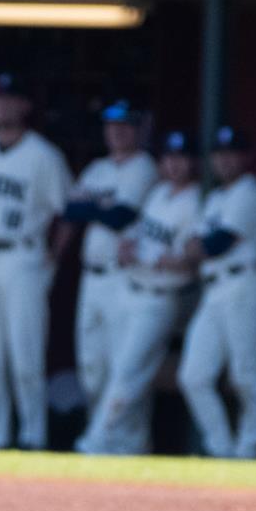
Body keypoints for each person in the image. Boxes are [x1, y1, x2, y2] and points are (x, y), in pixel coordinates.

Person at [0, 74, 72, 451]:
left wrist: (53, 257)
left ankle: (33, 437)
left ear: (25, 105)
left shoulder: (43, 155)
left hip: (26, 255)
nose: (3, 106)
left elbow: (67, 211)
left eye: (11, 98)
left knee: (25, 356)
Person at [86, 128, 200, 455]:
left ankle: (96, 442)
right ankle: (131, 447)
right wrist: (127, 245)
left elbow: (186, 262)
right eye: (171, 158)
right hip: (130, 289)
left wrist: (151, 257)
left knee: (126, 372)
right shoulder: (159, 193)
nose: (176, 165)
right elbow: (138, 231)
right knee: (119, 372)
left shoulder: (196, 202)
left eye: (183, 159)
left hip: (160, 298)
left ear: (193, 164)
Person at [64, 101, 158, 453]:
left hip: (124, 279)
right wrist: (97, 208)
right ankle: (102, 438)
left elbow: (120, 216)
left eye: (125, 126)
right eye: (111, 126)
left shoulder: (143, 166)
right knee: (92, 368)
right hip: (92, 278)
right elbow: (70, 209)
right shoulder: (97, 169)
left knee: (124, 369)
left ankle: (131, 446)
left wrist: (94, 208)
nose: (117, 132)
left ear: (137, 130)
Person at [178, 125, 256, 460]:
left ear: (245, 157)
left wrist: (198, 248)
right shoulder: (216, 198)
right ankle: (221, 448)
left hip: (244, 283)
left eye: (231, 152)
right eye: (219, 154)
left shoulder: (251, 191)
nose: (224, 160)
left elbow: (216, 244)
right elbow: (191, 245)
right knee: (194, 375)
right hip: (214, 289)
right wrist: (197, 248)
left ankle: (249, 448)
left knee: (245, 373)